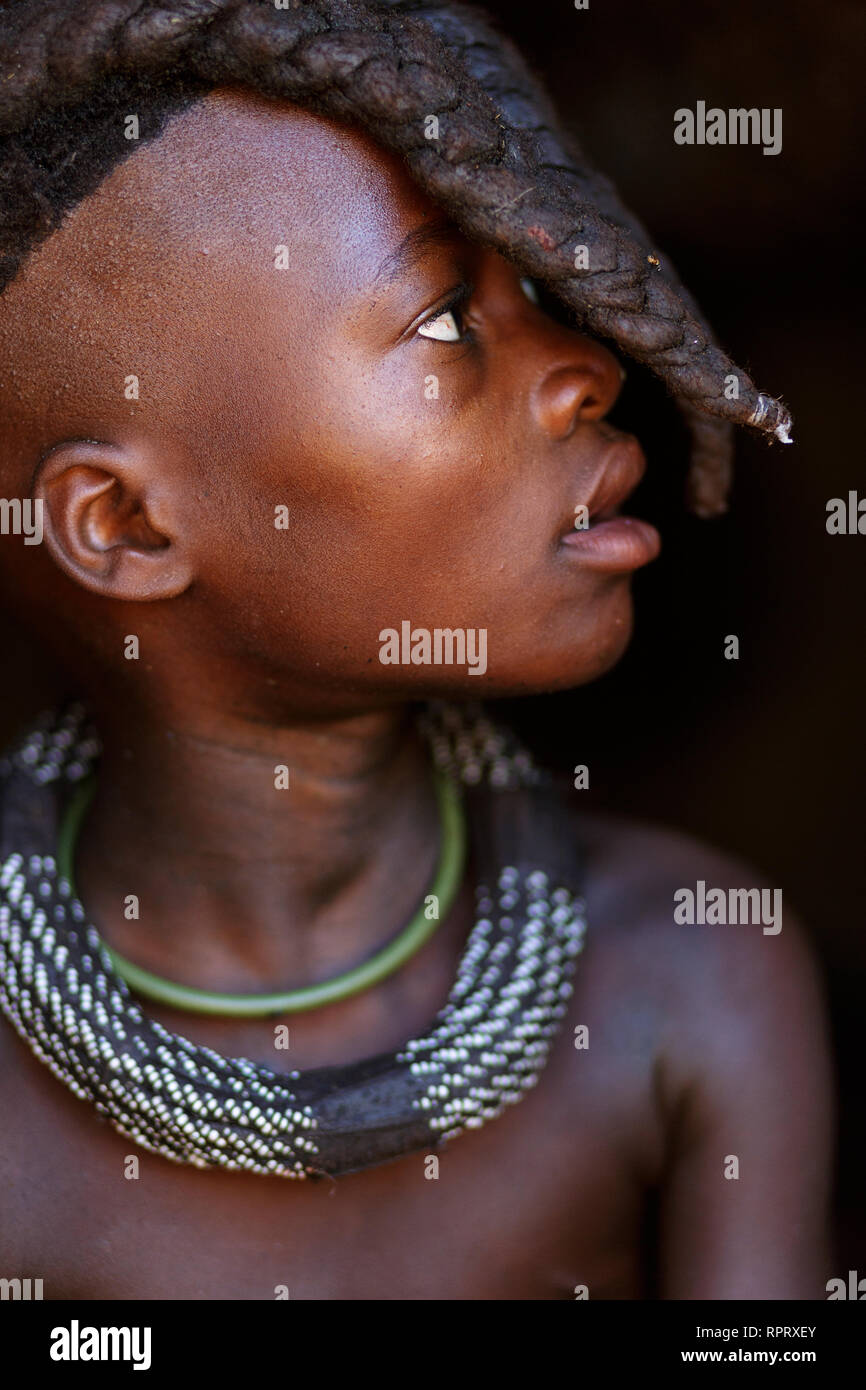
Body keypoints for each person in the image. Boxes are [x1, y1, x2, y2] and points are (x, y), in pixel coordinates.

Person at [0, 0, 832, 1300]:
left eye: (538, 289)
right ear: (124, 525)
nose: (585, 366)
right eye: (447, 319)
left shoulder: (688, 972)